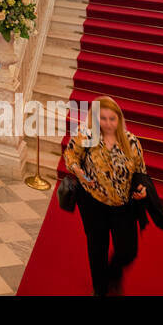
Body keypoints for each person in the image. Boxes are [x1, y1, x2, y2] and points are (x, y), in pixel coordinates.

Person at [63, 96, 149, 296]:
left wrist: (142, 189)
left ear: (119, 119)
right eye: (103, 118)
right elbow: (70, 155)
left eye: (112, 118)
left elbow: (141, 172)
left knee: (128, 251)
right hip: (93, 202)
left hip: (124, 205)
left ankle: (112, 274)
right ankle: (100, 289)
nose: (108, 123)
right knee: (97, 248)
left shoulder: (131, 141)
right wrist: (78, 171)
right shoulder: (85, 136)